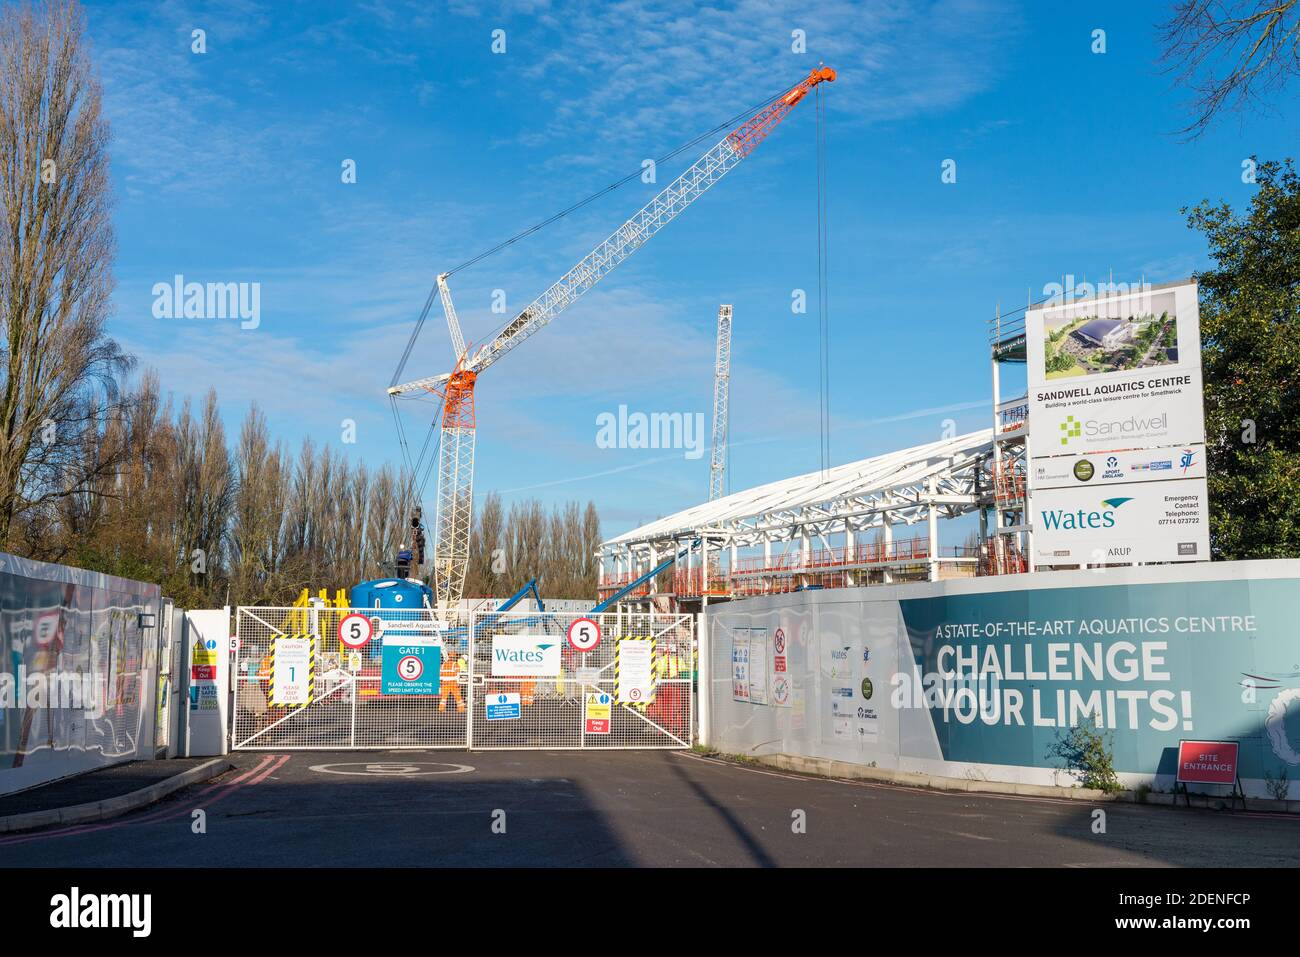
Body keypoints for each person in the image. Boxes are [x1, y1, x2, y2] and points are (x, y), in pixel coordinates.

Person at [439, 645, 466, 713]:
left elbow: (440, 674)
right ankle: (461, 709)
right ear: (454, 657)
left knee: (443, 698)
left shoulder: (443, 664)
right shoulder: (455, 664)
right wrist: (459, 683)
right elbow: (458, 674)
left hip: (445, 684)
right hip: (453, 684)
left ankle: (441, 709)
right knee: (458, 698)